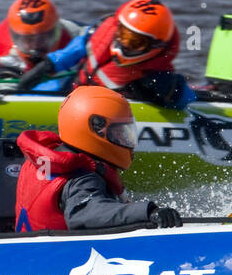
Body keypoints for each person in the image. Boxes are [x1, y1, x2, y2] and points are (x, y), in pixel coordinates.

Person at [14, 85, 182, 232]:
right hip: (62, 259)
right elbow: (87, 214)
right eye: (120, 132)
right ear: (96, 129)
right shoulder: (82, 178)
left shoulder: (38, 161)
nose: (126, 140)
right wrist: (148, 212)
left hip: (33, 254)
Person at [17, 0, 195, 108]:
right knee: (23, 91)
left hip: (99, 111)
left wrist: (174, 92)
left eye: (134, 41)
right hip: (71, 89)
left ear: (155, 46)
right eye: (123, 34)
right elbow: (76, 49)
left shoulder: (158, 73)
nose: (124, 44)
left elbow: (188, 99)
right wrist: (47, 65)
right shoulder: (104, 30)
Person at [0, 0, 84, 73]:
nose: (36, 45)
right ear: (15, 38)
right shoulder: (2, 51)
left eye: (42, 38)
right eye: (28, 39)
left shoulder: (75, 35)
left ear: (55, 32)